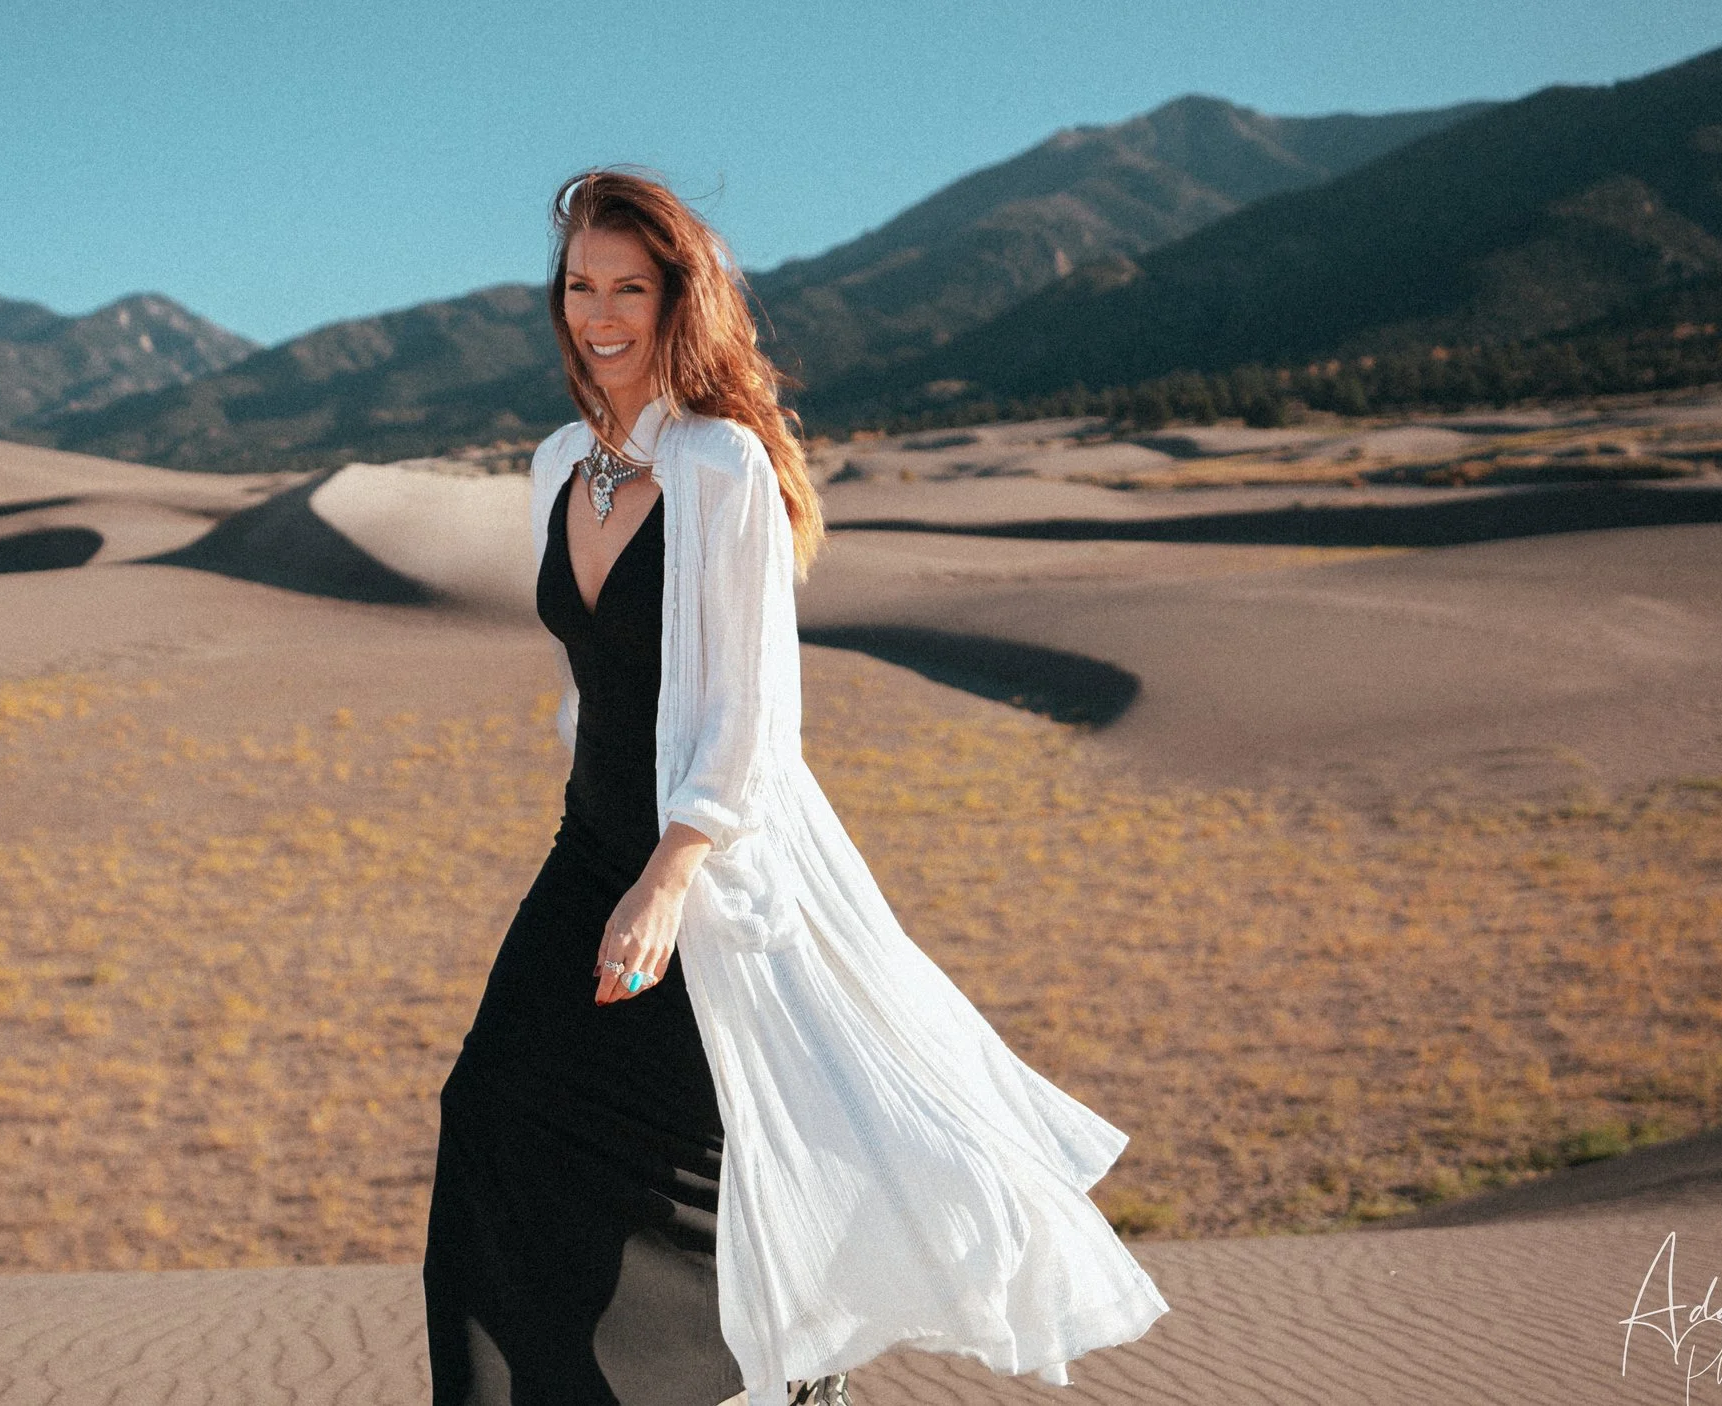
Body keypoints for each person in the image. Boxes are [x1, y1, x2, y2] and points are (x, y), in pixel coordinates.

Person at [422, 168, 1168, 1406]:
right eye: (577, 286)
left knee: (713, 1148)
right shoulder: (559, 462)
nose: (598, 312)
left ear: (678, 302)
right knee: (492, 1108)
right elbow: (589, 680)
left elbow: (755, 709)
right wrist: (597, 830)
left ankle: (791, 1356)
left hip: (706, 863)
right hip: (590, 840)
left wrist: (669, 874)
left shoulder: (725, 466)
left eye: (628, 287)